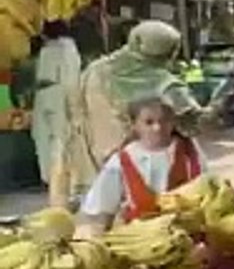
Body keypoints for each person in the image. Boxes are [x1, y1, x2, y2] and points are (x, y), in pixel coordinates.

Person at [70, 21, 213, 181]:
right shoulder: (166, 85)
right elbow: (195, 123)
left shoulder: (94, 70)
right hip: (143, 169)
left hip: (94, 165)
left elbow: (75, 109)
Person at [77, 97, 206, 235]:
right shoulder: (122, 160)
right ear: (135, 125)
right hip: (144, 239)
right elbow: (103, 208)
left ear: (173, 122)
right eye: (149, 122)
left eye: (164, 121)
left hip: (189, 234)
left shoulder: (190, 152)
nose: (157, 128)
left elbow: (207, 190)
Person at [32, 21, 82, 209]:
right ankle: (50, 180)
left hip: (60, 94)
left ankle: (64, 185)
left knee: (61, 139)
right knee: (41, 136)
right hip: (44, 93)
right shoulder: (46, 49)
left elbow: (71, 79)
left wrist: (71, 103)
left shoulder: (67, 48)